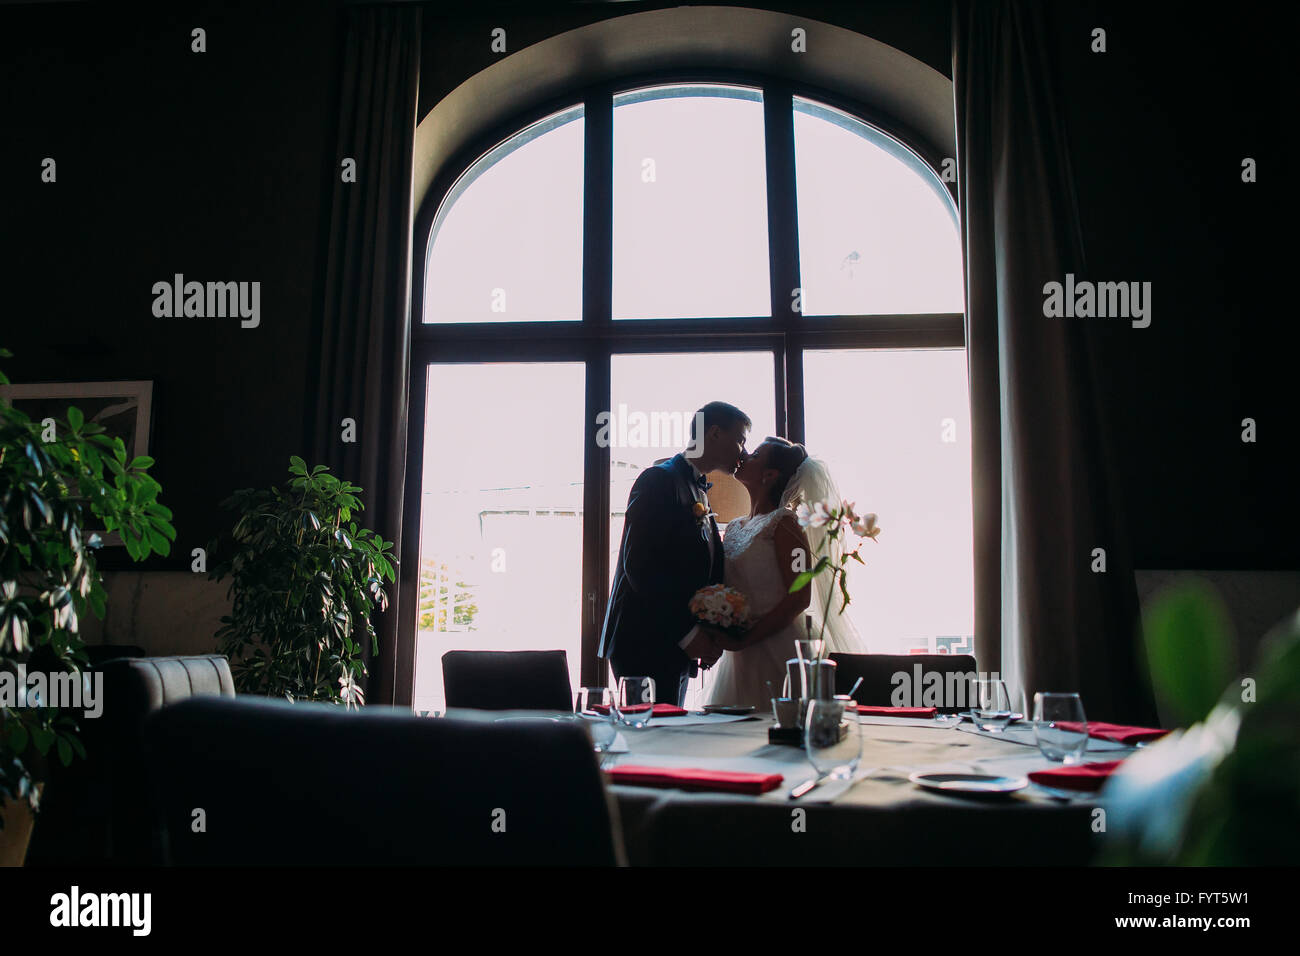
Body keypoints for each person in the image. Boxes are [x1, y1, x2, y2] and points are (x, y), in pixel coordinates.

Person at [599, 401, 750, 705]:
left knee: (669, 737)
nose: (744, 453)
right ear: (715, 433)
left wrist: (708, 629)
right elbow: (639, 566)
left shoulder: (700, 490)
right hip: (644, 641)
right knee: (650, 743)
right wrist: (689, 635)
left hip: (675, 645)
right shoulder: (658, 480)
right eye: (741, 440)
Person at [704, 437, 866, 709]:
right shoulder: (733, 527)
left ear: (770, 475)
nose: (745, 456)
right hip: (740, 653)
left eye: (755, 455)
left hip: (777, 645)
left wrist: (748, 637)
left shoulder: (787, 525)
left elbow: (799, 597)